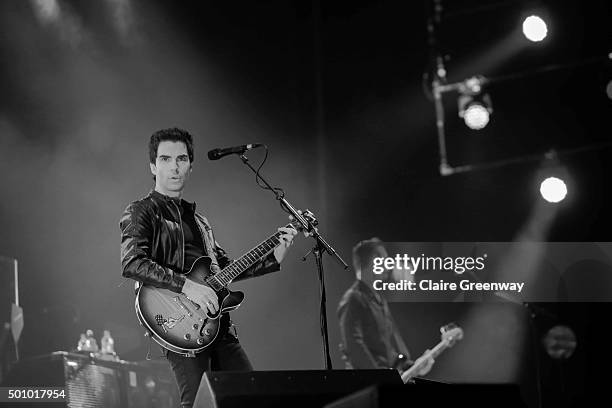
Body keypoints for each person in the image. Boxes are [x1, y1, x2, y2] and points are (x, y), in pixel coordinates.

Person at [119, 128, 297, 408]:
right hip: (178, 320)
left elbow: (226, 267)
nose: (174, 167)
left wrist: (274, 255)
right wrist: (188, 286)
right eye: (165, 159)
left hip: (218, 324)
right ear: (153, 166)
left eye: (181, 159)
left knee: (250, 396)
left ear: (191, 165)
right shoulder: (142, 211)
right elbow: (133, 263)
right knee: (198, 403)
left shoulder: (200, 221)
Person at [337, 238, 434, 378]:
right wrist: (380, 378)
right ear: (372, 263)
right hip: (367, 386)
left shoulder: (379, 299)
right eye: (384, 259)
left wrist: (410, 366)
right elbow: (354, 347)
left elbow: (386, 347)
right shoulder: (353, 299)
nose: (389, 265)